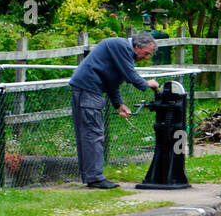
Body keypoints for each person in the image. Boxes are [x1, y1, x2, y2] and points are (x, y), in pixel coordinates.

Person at [68, 32, 160, 188]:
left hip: (88, 90)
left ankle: (92, 177)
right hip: (88, 90)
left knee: (90, 134)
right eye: (146, 53)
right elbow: (131, 76)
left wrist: (119, 104)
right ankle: (95, 179)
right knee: (93, 134)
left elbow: (113, 81)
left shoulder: (122, 51)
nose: (146, 57)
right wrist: (147, 84)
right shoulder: (121, 46)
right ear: (137, 46)